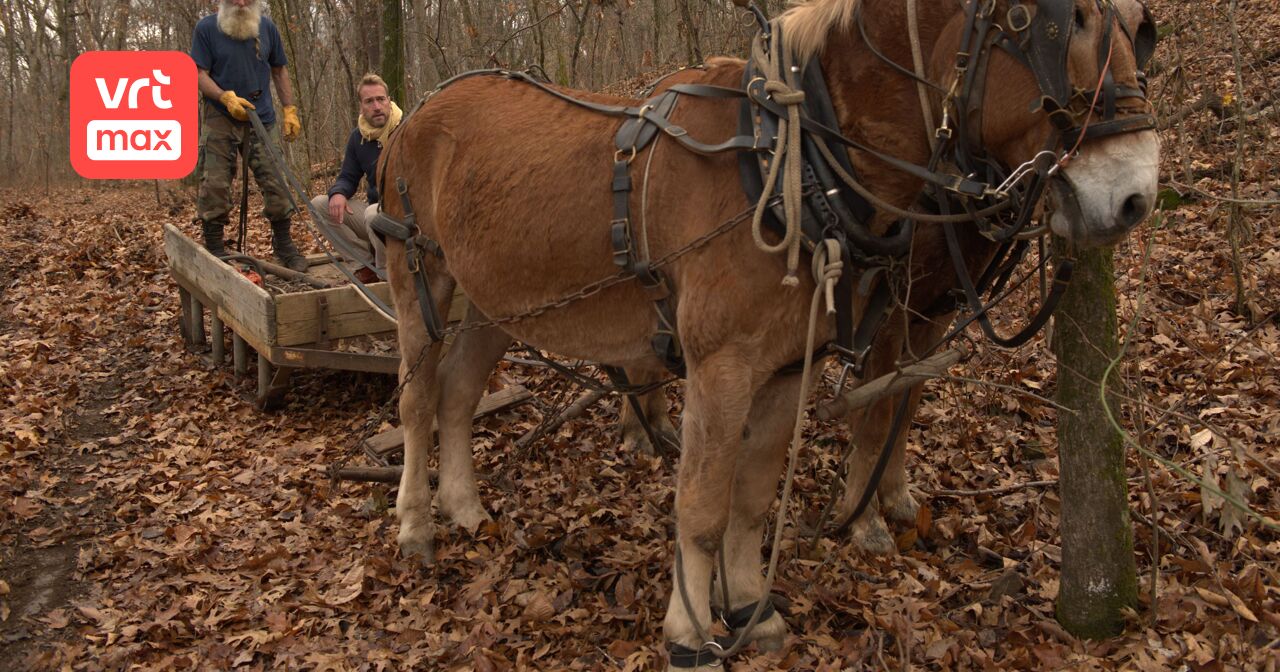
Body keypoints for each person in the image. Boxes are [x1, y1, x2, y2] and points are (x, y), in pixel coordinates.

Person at [191, 0, 308, 272]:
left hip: (260, 115)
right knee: (215, 184)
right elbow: (198, 73)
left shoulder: (267, 28)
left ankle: (284, 244)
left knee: (276, 181)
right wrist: (224, 96)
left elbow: (279, 69)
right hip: (221, 116)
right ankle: (215, 247)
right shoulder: (206, 28)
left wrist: (289, 109)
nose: (241, 3)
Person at [310, 73, 402, 284]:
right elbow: (348, 176)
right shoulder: (358, 137)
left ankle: (389, 275)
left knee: (373, 214)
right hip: (375, 212)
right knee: (319, 205)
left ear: (389, 101)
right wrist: (339, 192)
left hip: (408, 216)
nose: (376, 106)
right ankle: (364, 266)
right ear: (361, 107)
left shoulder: (406, 128)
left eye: (380, 99)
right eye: (369, 101)